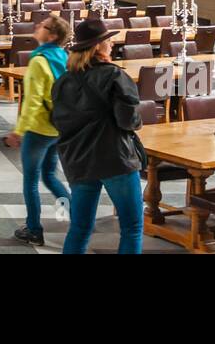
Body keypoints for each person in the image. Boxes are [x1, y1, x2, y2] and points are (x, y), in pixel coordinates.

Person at [51, 18, 145, 255]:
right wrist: (138, 121)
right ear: (97, 47)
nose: (112, 45)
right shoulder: (114, 76)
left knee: (81, 227)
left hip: (79, 160)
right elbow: (127, 120)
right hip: (115, 158)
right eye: (108, 41)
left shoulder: (62, 82)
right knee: (132, 226)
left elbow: (57, 121)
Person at [5, 15, 72, 245]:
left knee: (31, 181)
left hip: (39, 129)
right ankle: (80, 215)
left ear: (52, 35)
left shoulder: (38, 61)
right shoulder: (63, 56)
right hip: (58, 127)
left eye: (42, 26)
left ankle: (33, 228)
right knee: (50, 175)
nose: (36, 26)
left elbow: (32, 101)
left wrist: (19, 131)